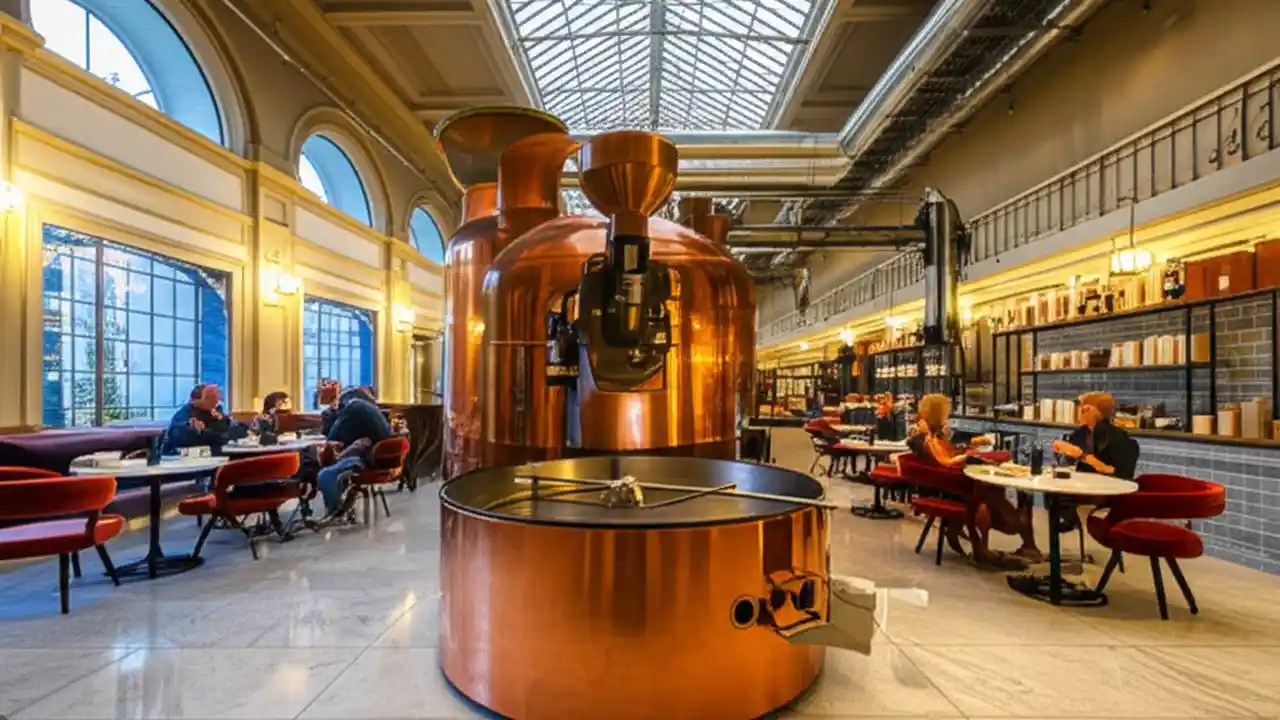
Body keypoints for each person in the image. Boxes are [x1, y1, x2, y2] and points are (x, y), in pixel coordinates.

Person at [908, 394, 1041, 567]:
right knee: (992, 490)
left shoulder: (933, 433)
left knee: (995, 482)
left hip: (950, 482)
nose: (948, 415)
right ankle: (993, 545)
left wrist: (967, 447)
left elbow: (947, 453)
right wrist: (967, 456)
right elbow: (944, 462)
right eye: (945, 412)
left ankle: (1018, 542)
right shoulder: (925, 436)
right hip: (952, 486)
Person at [315, 386, 393, 519]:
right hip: (380, 460)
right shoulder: (372, 409)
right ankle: (342, 505)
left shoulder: (353, 407)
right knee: (336, 463)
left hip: (366, 460)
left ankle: (334, 511)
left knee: (324, 474)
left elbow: (333, 437)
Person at [1051, 392, 1139, 479]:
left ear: (1099, 412)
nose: (1080, 412)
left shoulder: (1120, 439)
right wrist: (1062, 452)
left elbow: (1121, 474)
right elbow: (1066, 466)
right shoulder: (1079, 434)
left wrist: (1081, 455)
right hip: (1081, 484)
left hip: (1107, 488)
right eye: (1080, 408)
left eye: (1085, 409)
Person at [163, 384, 247, 454]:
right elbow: (177, 437)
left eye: (216, 398)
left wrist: (224, 420)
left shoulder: (217, 413)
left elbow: (236, 431)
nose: (216, 402)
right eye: (211, 399)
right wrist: (192, 427)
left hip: (218, 455)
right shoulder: (185, 415)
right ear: (197, 401)